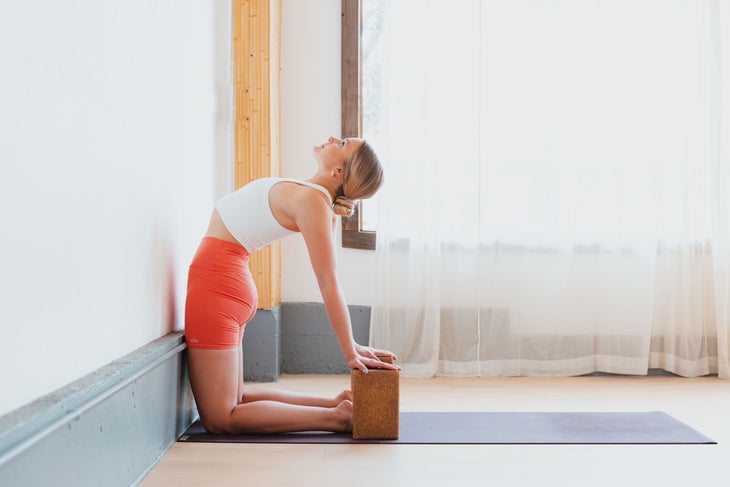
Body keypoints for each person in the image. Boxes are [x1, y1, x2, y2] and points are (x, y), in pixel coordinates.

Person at [184, 136, 399, 435]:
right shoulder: (311, 195)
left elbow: (328, 281)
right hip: (225, 280)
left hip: (218, 284)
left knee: (221, 418)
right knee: (237, 400)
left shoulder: (314, 202)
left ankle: (339, 419)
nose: (334, 138)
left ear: (338, 171)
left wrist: (350, 350)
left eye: (343, 143)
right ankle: (333, 407)